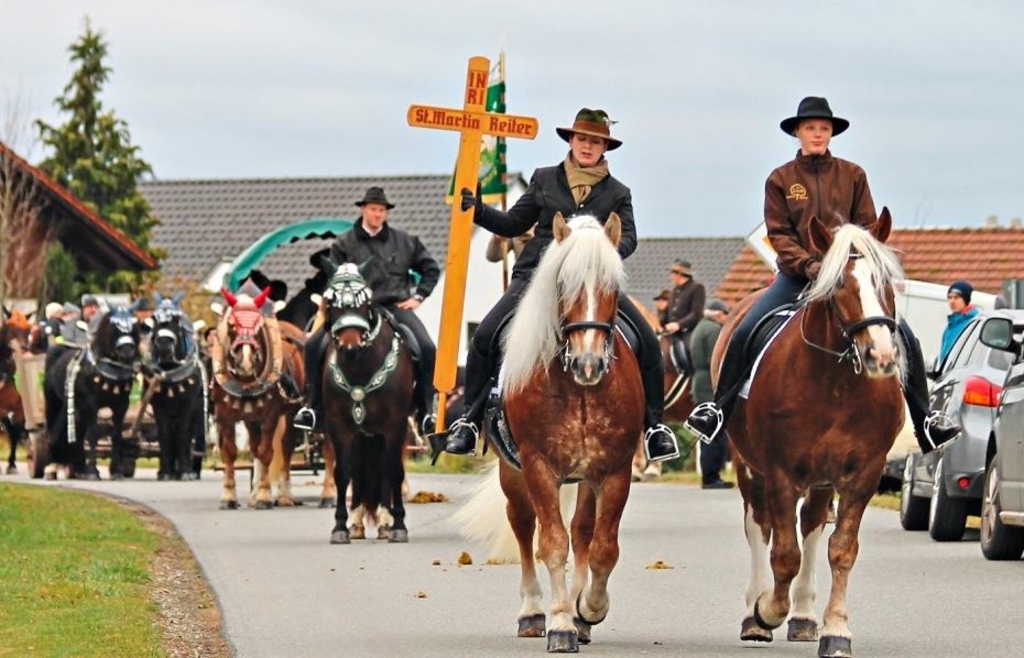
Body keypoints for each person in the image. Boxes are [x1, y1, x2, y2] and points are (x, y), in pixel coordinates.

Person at [684, 96, 960, 453]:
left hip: (847, 275)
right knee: (748, 327)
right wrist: (810, 265)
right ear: (798, 132)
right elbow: (779, 233)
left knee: (904, 335)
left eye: (824, 128)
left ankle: (925, 421)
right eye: (811, 128)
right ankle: (718, 411)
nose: (817, 134)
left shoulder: (853, 175)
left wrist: (850, 264)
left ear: (832, 133)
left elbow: (866, 227)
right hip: (798, 276)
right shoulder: (781, 179)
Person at [441, 107, 680, 463]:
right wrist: (478, 210)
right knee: (485, 335)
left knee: (646, 339)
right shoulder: (544, 178)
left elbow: (628, 239)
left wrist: (601, 247)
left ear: (605, 148)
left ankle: (655, 428)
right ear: (571, 140)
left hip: (591, 280)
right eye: (582, 139)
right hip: (537, 276)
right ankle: (468, 421)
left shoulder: (618, 192)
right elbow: (512, 223)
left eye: (596, 142)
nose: (588, 146)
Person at [293, 186, 441, 435]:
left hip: (394, 305)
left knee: (426, 347)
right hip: (352, 310)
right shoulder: (344, 243)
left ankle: (426, 411)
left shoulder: (406, 242)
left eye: (382, 210)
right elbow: (334, 277)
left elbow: (431, 269)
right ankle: (313, 408)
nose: (377, 215)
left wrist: (419, 296)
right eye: (373, 209)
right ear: (363, 209)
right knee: (313, 345)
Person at [690, 299, 734, 489]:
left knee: (706, 430)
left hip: (699, 381)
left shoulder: (700, 327)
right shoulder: (714, 330)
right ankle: (711, 476)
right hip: (709, 381)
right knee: (714, 432)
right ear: (718, 314)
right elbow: (716, 360)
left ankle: (709, 474)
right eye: (726, 315)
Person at [939, 280, 980, 364]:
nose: (952, 301)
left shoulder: (975, 323)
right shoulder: (950, 326)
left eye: (957, 297)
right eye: (950, 297)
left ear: (966, 299)